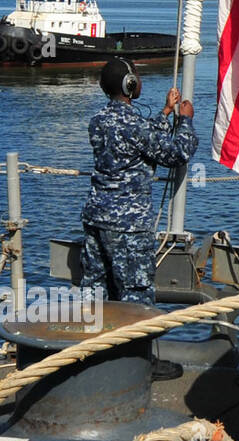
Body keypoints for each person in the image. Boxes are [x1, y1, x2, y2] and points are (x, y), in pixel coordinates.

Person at [81, 57, 197, 306]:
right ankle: (132, 346)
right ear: (130, 84)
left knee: (95, 297)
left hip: (96, 218)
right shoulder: (135, 125)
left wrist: (165, 113)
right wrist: (186, 120)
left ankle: (94, 343)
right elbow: (177, 154)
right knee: (136, 299)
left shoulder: (97, 121)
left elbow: (138, 139)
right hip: (128, 226)